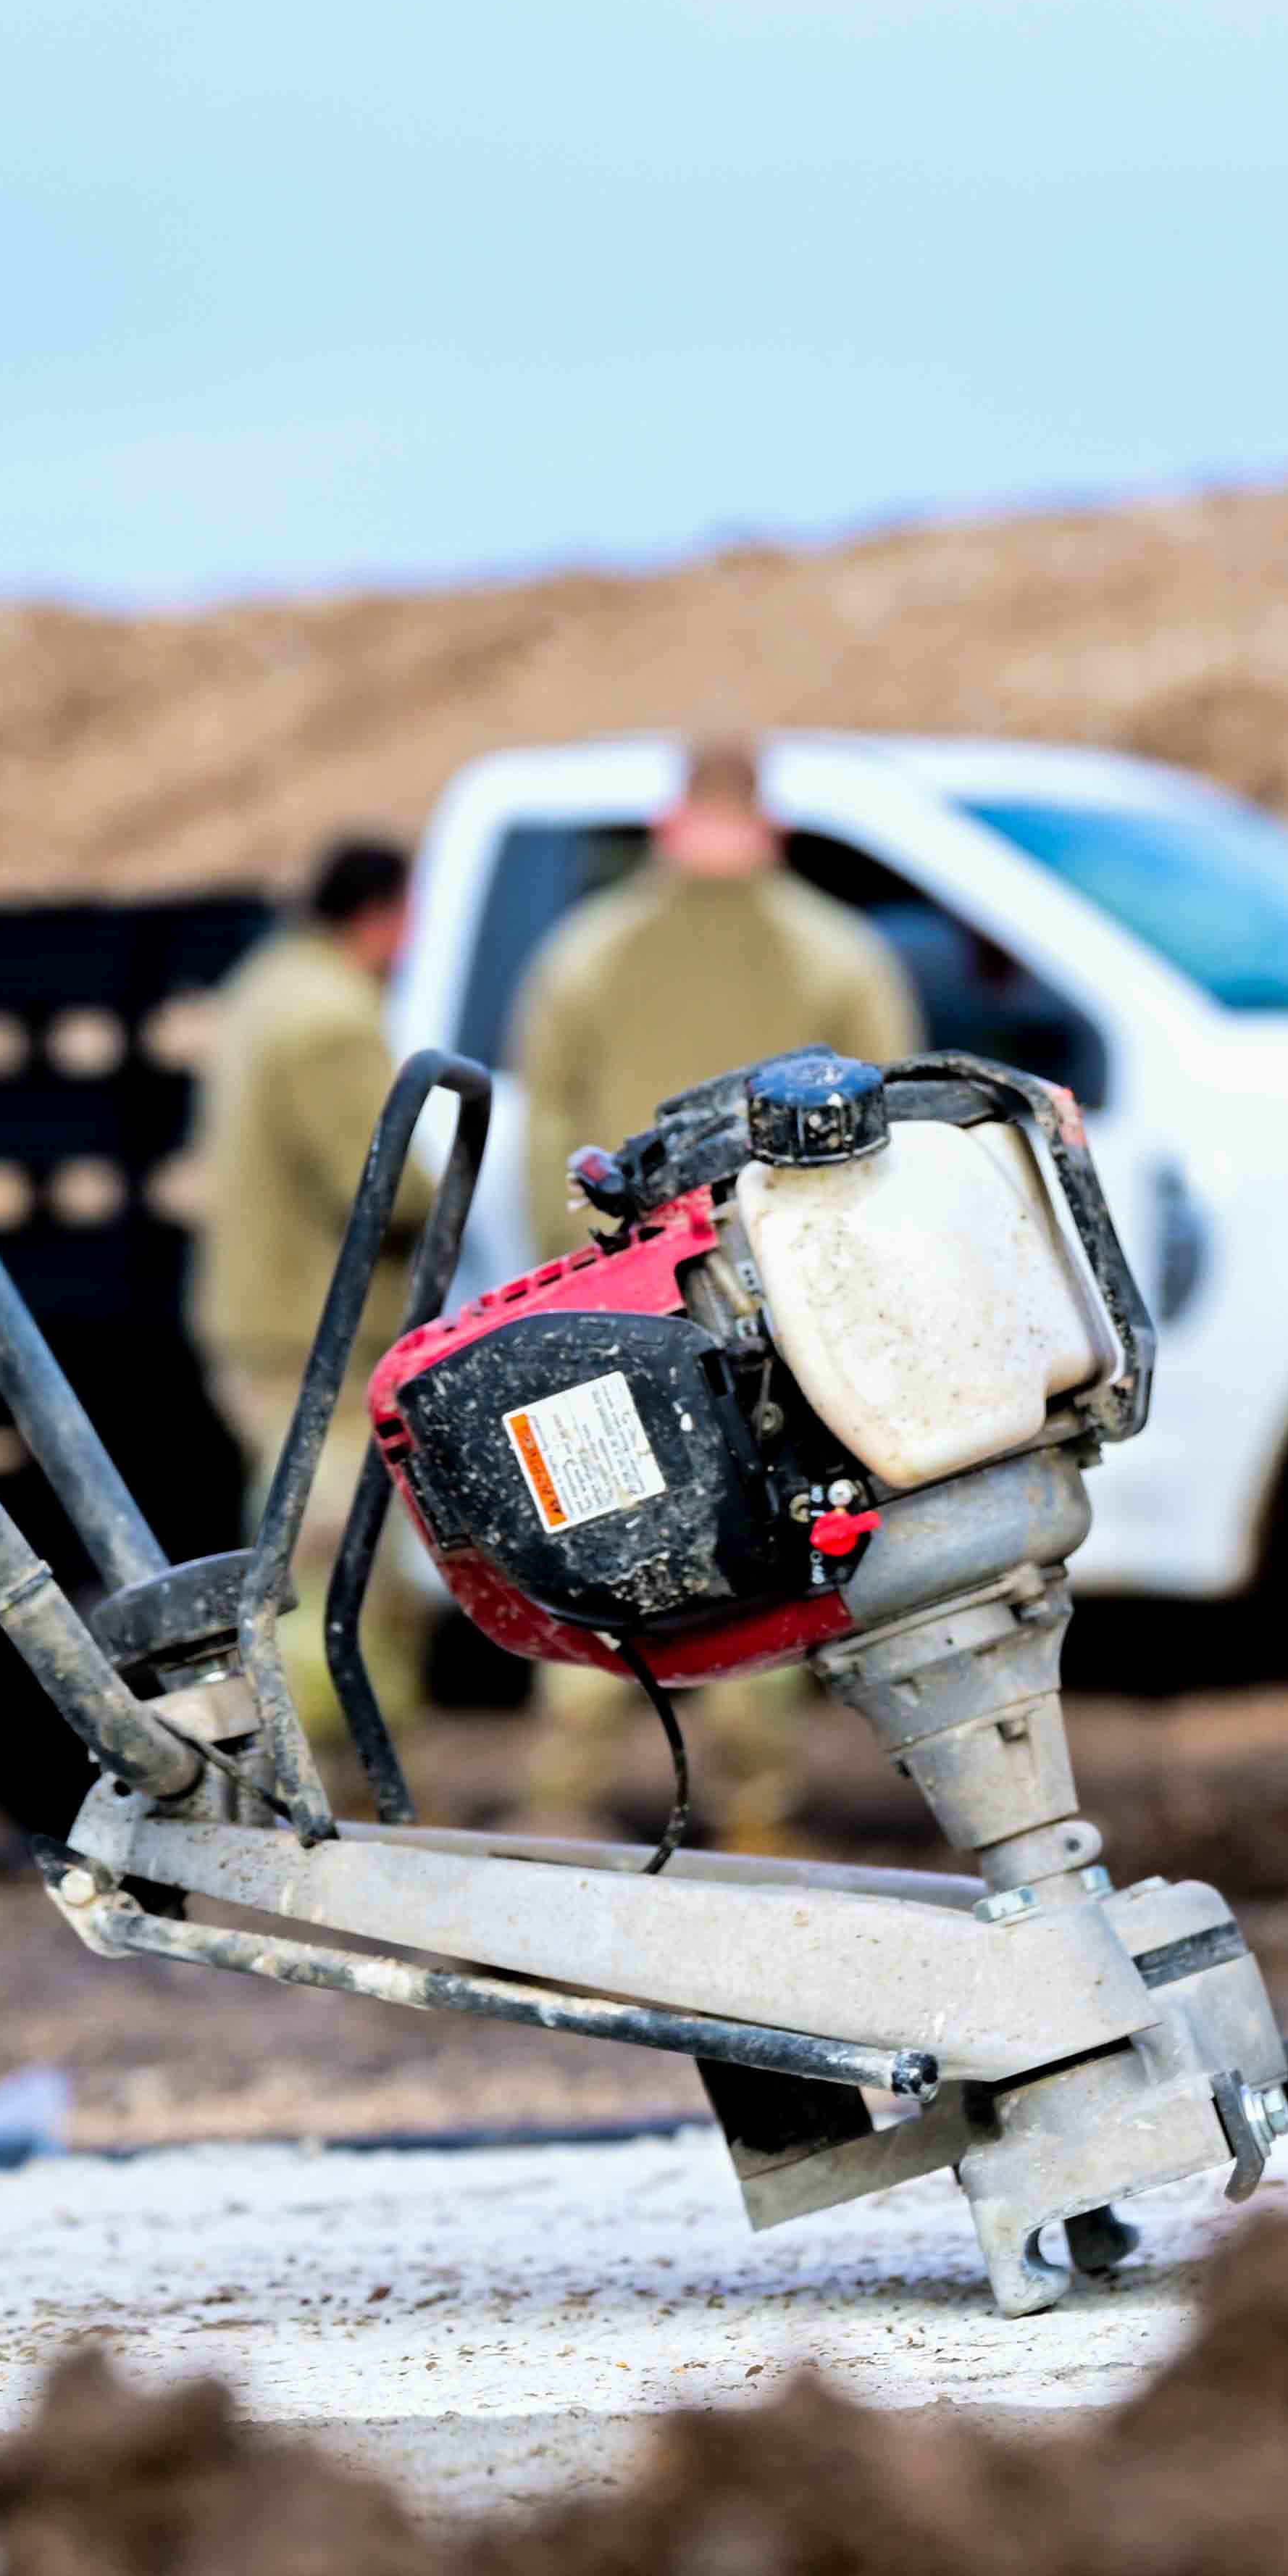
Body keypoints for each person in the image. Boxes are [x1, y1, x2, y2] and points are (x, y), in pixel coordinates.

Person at [508, 738, 921, 1846]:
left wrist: (583, 1276)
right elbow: (888, 1131)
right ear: (771, 827)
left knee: (599, 1534)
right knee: (762, 1546)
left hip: (615, 1307)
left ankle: (561, 1813)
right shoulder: (836, 951)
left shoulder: (586, 953)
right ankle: (756, 1820)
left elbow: (546, 1133)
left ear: (667, 822)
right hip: (769, 1314)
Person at [184, 835, 440, 1751]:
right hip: (318, 1342)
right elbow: (383, 1187)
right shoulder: (329, 1016)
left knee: (311, 1565)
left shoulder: (266, 987)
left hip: (270, 1326)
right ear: (381, 915)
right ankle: (329, 1802)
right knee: (335, 1581)